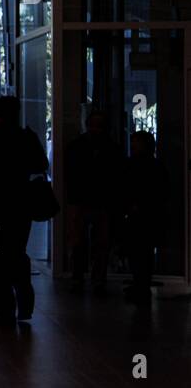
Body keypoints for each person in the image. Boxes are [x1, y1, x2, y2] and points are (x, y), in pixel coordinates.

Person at [0, 95, 49, 323]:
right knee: (17, 253)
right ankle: (26, 305)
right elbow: (41, 165)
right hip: (19, 209)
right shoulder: (26, 137)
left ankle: (4, 311)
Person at [63, 110, 123, 291]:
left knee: (83, 241)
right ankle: (94, 277)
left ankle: (79, 276)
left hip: (86, 200)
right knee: (96, 242)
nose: (95, 129)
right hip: (97, 200)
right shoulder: (112, 148)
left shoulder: (76, 146)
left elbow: (70, 174)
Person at [122, 131, 169, 304]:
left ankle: (140, 285)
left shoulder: (133, 165)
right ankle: (142, 285)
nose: (134, 146)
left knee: (138, 253)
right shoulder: (155, 166)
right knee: (144, 253)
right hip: (148, 216)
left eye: (136, 142)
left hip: (141, 217)